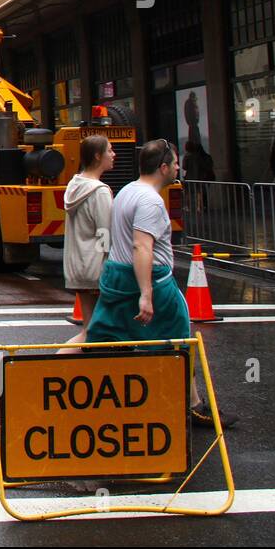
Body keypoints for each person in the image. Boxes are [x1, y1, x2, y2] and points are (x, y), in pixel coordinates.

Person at [85, 140, 234, 429]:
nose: (179, 167)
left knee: (104, 338)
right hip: (150, 280)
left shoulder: (127, 190)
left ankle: (77, 397)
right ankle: (191, 406)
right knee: (178, 340)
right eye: (175, 163)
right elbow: (142, 247)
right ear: (163, 167)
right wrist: (146, 294)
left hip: (116, 277)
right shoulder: (150, 201)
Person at [61, 135, 115, 351]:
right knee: (93, 333)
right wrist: (111, 266)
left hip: (78, 267)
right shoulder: (99, 192)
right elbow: (105, 234)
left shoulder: (75, 185)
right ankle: (53, 367)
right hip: (96, 269)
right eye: (110, 150)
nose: (113, 155)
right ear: (97, 155)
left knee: (90, 330)